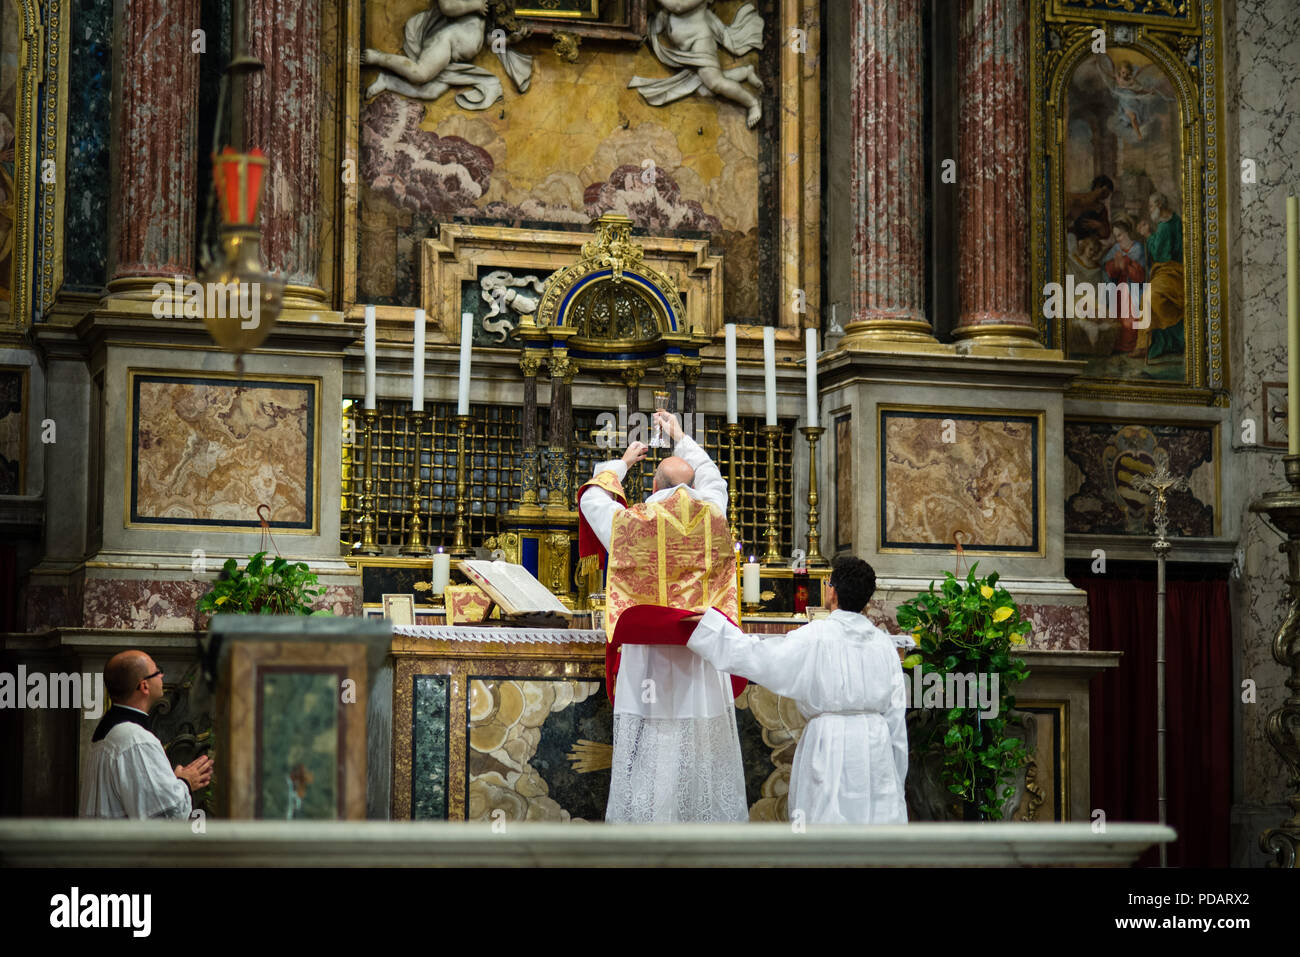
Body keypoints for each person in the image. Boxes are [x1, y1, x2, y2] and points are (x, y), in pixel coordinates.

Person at [577, 409, 747, 822]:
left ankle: (651, 827)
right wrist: (680, 437)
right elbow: (713, 477)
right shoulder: (714, 512)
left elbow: (590, 498)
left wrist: (621, 463)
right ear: (691, 485)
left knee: (653, 738)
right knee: (701, 739)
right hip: (700, 650)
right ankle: (700, 828)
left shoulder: (631, 521)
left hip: (649, 654)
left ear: (653, 487)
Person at [685, 555, 909, 824]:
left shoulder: (817, 635)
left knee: (826, 832)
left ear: (832, 591)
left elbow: (760, 656)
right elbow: (896, 721)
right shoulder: (884, 644)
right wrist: (896, 778)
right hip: (877, 748)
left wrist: (711, 629)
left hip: (830, 744)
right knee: (875, 831)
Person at [80, 651, 212, 819]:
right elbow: (165, 815)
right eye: (157, 671)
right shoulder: (137, 740)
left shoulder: (112, 730)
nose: (162, 675)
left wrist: (172, 781)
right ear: (144, 686)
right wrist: (186, 782)